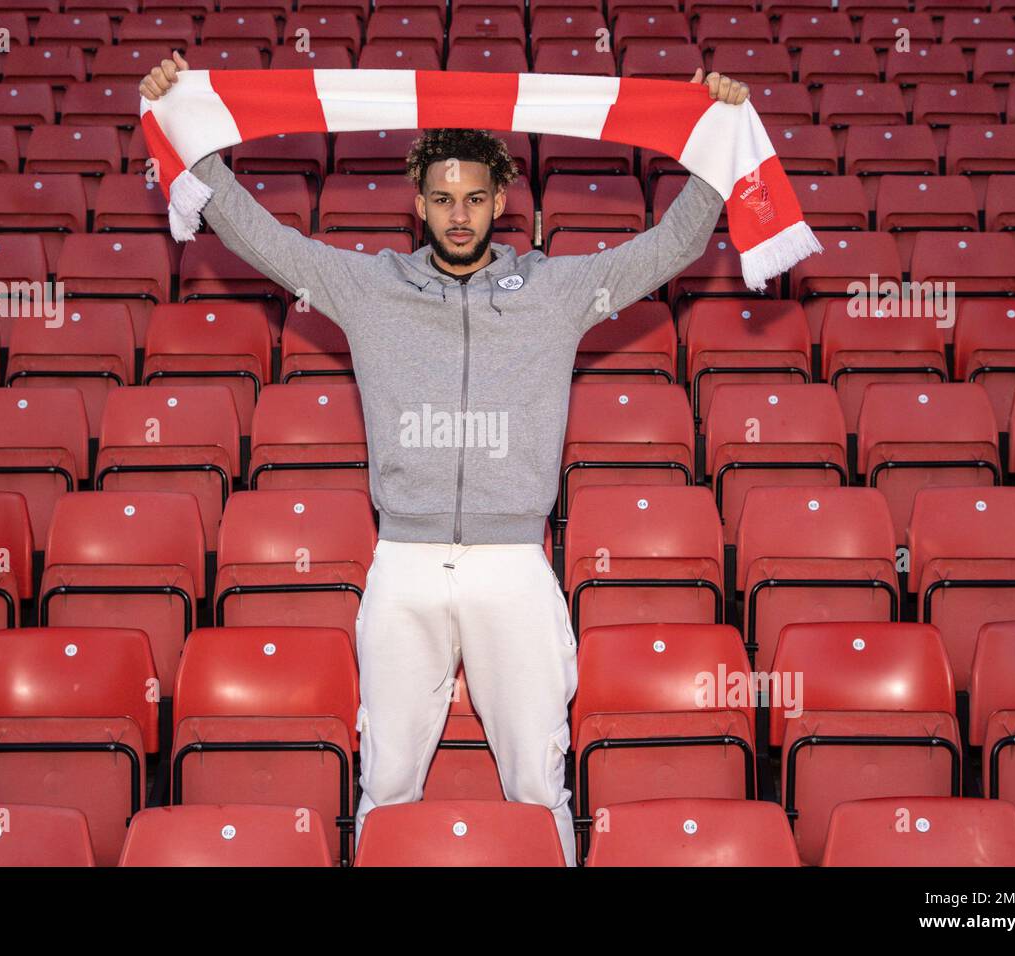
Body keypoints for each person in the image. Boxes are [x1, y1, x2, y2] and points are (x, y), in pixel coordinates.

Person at [141, 56, 745, 866]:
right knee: (387, 778)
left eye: (473, 198)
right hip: (405, 563)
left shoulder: (558, 291)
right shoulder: (366, 288)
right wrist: (189, 130)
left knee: (538, 778)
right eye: (441, 198)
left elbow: (674, 242)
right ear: (418, 203)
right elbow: (258, 234)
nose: (457, 215)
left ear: (500, 202)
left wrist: (715, 138)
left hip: (513, 564)